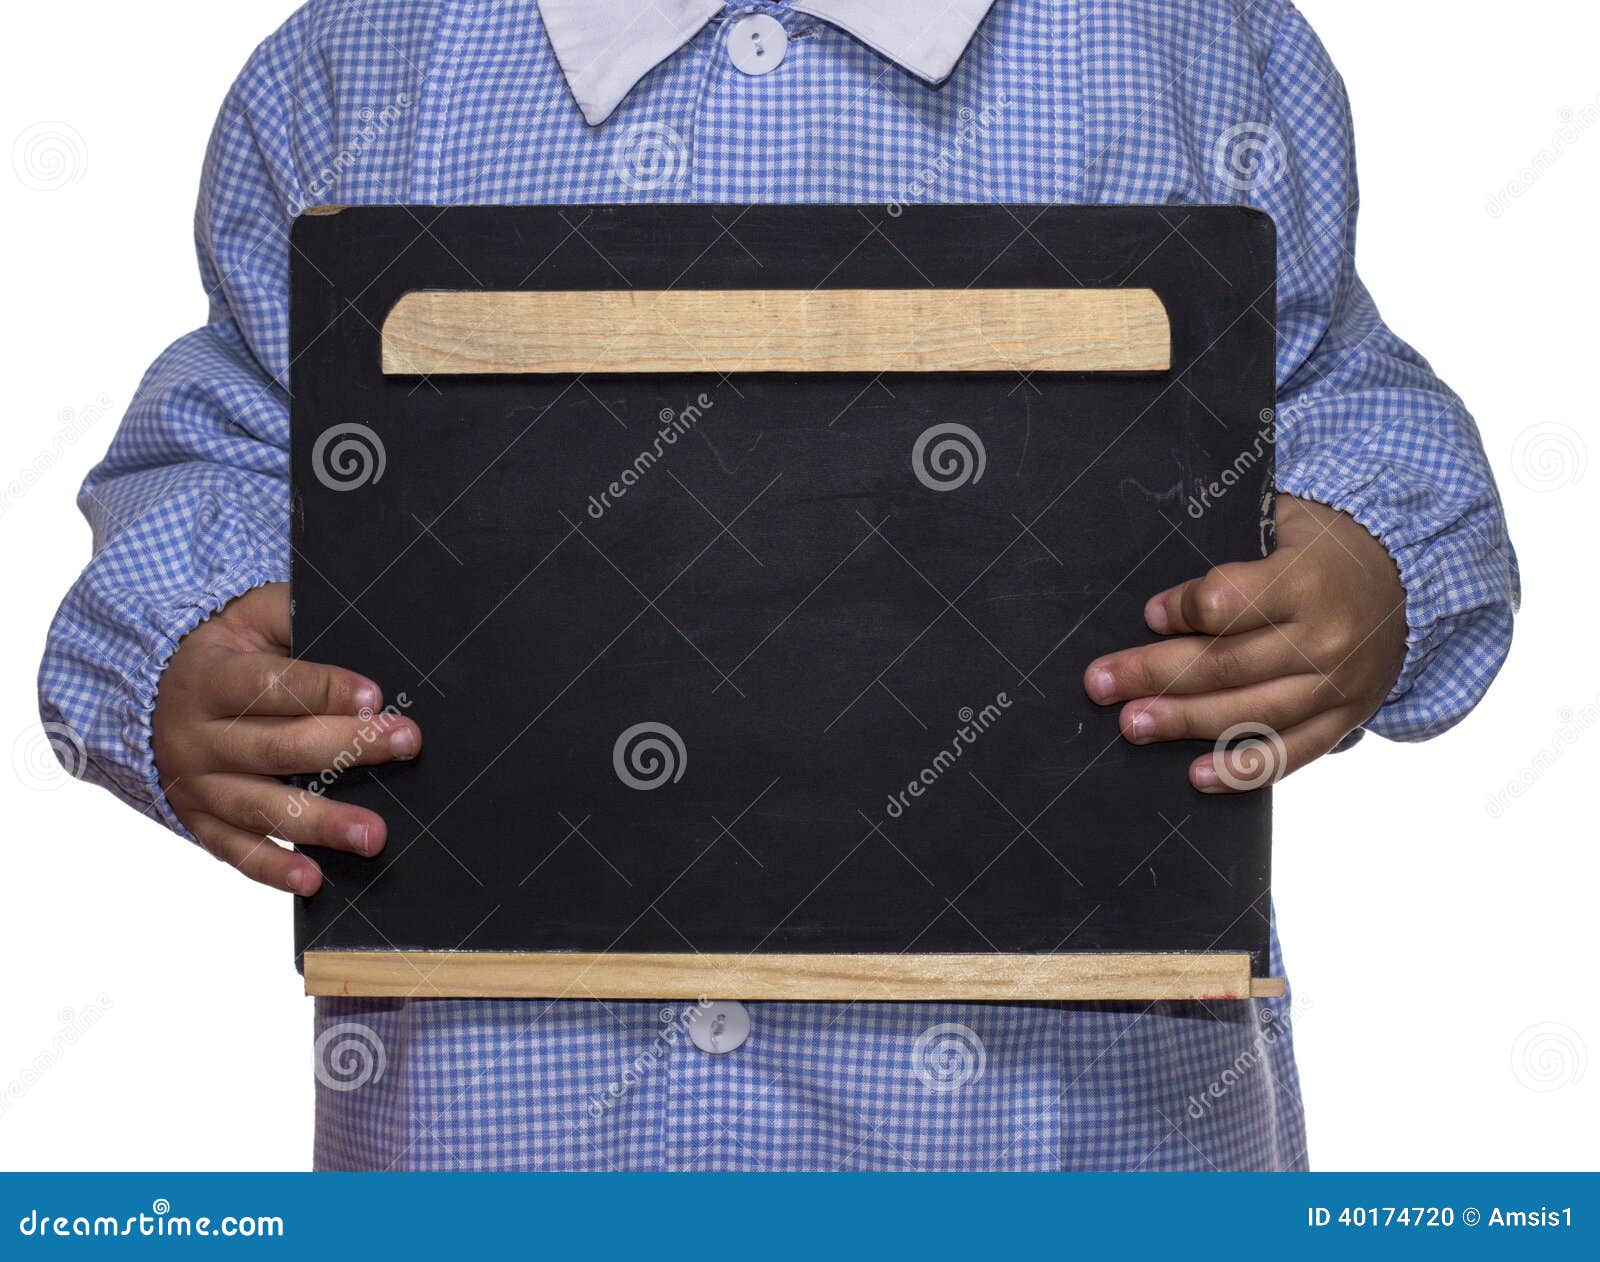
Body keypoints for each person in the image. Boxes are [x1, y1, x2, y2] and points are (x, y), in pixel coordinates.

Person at [38, 0, 1517, 1170]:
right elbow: (229, 439)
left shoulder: (1192, 40)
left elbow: (1341, 395)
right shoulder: (361, 59)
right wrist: (188, 657)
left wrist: (1365, 571)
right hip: (503, 1144)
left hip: (1073, 1146)